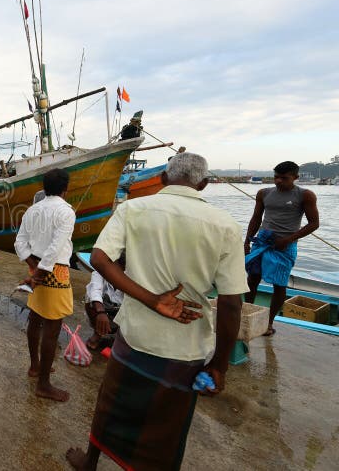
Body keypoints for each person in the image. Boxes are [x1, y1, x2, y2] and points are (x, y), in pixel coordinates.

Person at [66, 152, 246, 471]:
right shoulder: (226, 225)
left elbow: (99, 258)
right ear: (204, 184)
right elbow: (232, 303)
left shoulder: (132, 209)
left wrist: (151, 300)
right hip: (185, 347)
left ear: (163, 178)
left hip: (135, 334)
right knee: (167, 427)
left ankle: (90, 462)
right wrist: (220, 365)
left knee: (111, 403)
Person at [14, 168, 75, 402]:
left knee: (35, 318)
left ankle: (35, 366)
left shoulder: (32, 210)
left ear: (45, 187)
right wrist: (40, 273)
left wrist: (33, 268)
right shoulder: (66, 212)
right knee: (52, 326)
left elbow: (19, 243)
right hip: (54, 271)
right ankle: (44, 385)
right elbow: (56, 248)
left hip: (36, 268)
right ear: (65, 189)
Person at [244, 161, 319, 336]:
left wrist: (288, 239)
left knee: (279, 283)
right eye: (276, 177)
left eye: (284, 178)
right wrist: (247, 241)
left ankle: (269, 323)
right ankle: (246, 313)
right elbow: (256, 218)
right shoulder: (263, 193)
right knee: (252, 278)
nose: (278, 181)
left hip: (285, 245)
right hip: (262, 241)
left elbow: (314, 223)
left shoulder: (305, 195)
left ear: (295, 177)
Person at [84, 254, 125, 351]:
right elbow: (94, 289)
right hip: (105, 310)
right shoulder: (102, 269)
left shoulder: (134, 277)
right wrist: (101, 312)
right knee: (90, 297)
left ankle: (120, 339)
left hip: (122, 313)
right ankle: (98, 334)